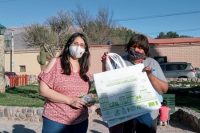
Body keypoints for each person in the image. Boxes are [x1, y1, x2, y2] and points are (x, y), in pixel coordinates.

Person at [101, 33, 168, 133]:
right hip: (125, 115)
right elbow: (108, 81)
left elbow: (164, 89)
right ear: (129, 47)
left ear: (145, 50)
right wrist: (105, 63)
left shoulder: (152, 63)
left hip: (148, 114)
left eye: (140, 48)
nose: (136, 50)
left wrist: (150, 75)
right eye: (134, 46)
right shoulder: (119, 61)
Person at [38, 32, 91, 133]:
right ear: (68, 45)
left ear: (85, 50)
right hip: (56, 121)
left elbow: (88, 92)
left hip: (81, 121)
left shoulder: (85, 69)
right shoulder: (56, 62)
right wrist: (70, 100)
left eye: (81, 45)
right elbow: (43, 90)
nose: (78, 47)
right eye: (75, 44)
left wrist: (89, 99)